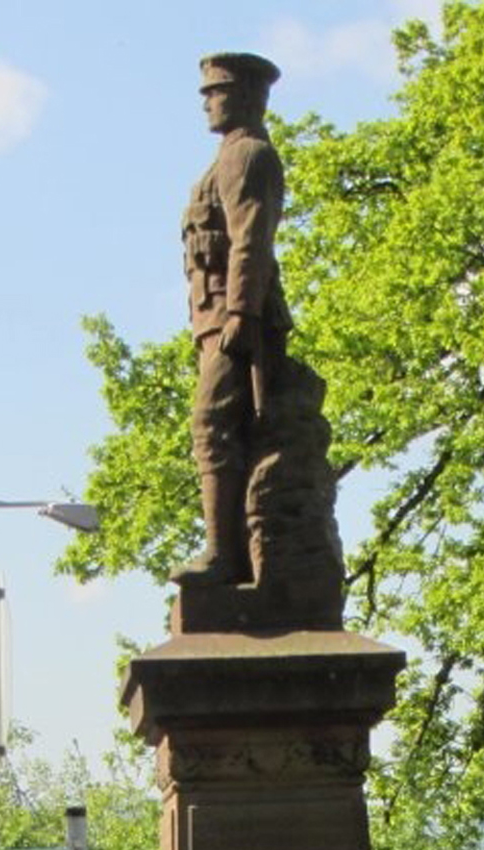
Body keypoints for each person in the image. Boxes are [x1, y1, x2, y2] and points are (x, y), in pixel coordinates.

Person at [175, 51, 292, 588]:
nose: (206, 102)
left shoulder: (248, 156)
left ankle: (225, 559)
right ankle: (230, 555)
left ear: (245, 95)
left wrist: (241, 311)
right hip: (215, 316)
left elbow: (251, 239)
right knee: (219, 429)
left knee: (214, 425)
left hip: (235, 316)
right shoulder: (225, 159)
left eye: (215, 91)